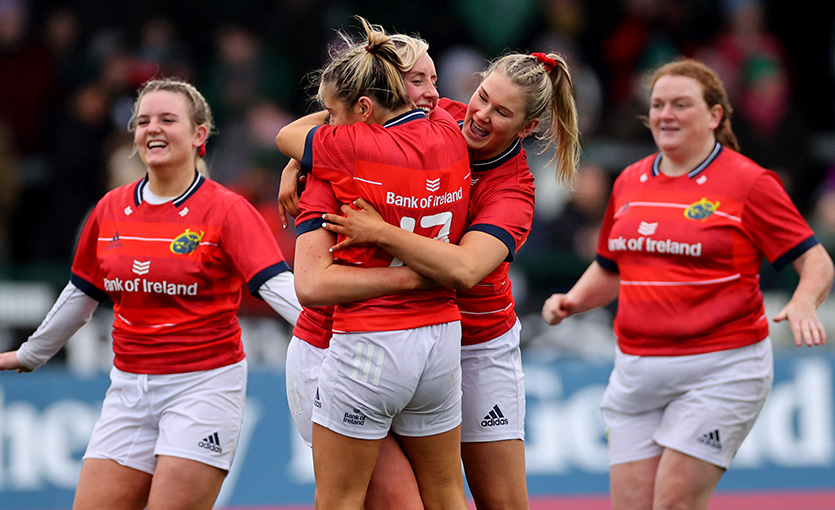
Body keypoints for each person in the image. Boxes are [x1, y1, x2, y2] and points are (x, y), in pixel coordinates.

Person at [541, 58, 834, 510]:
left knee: (674, 502)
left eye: (681, 104)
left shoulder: (750, 183)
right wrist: (572, 300)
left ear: (715, 116)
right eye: (658, 104)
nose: (666, 114)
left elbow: (816, 262)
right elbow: (612, 267)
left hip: (721, 368)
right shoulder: (629, 181)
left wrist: (803, 302)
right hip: (636, 370)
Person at [0, 78, 302, 510]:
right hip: (127, 389)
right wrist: (30, 354)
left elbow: (277, 288)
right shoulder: (110, 209)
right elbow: (80, 294)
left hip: (203, 388)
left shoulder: (228, 209)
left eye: (167, 119)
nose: (151, 129)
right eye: (142, 121)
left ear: (199, 134)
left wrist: (335, 335)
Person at [319, 51, 580, 510]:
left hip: (478, 345)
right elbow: (339, 116)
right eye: (481, 97)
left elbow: (464, 270)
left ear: (528, 128)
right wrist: (298, 162)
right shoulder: (440, 115)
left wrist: (380, 232)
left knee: (502, 503)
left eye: (502, 113)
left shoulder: (513, 188)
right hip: (409, 336)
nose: (479, 115)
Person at [275, 17, 470, 510]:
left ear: (362, 107)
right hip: (442, 336)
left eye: (332, 113)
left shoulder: (344, 155)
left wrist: (298, 160)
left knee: (345, 501)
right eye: (418, 80)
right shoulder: (450, 131)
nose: (431, 92)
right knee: (444, 495)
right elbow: (437, 107)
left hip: (366, 343)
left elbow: (312, 284)